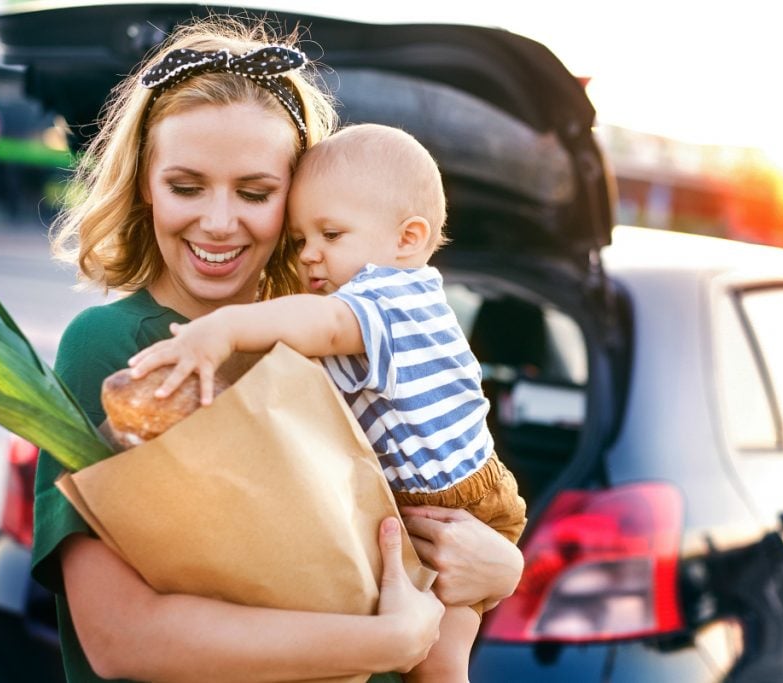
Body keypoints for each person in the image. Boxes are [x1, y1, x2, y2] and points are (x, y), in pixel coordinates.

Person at [33, 15, 524, 683]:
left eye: (256, 193)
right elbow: (121, 638)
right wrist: (391, 641)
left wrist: (500, 568)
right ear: (146, 186)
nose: (217, 220)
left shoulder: (325, 349)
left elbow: (416, 524)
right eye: (186, 185)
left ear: (297, 202)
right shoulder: (117, 348)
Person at [127, 123, 528, 682]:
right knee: (437, 662)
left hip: (448, 502)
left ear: (407, 239)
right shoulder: (391, 299)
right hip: (449, 500)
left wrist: (223, 329)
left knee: (435, 666)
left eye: (331, 235)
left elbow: (318, 323)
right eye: (300, 240)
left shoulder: (387, 299)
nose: (310, 255)